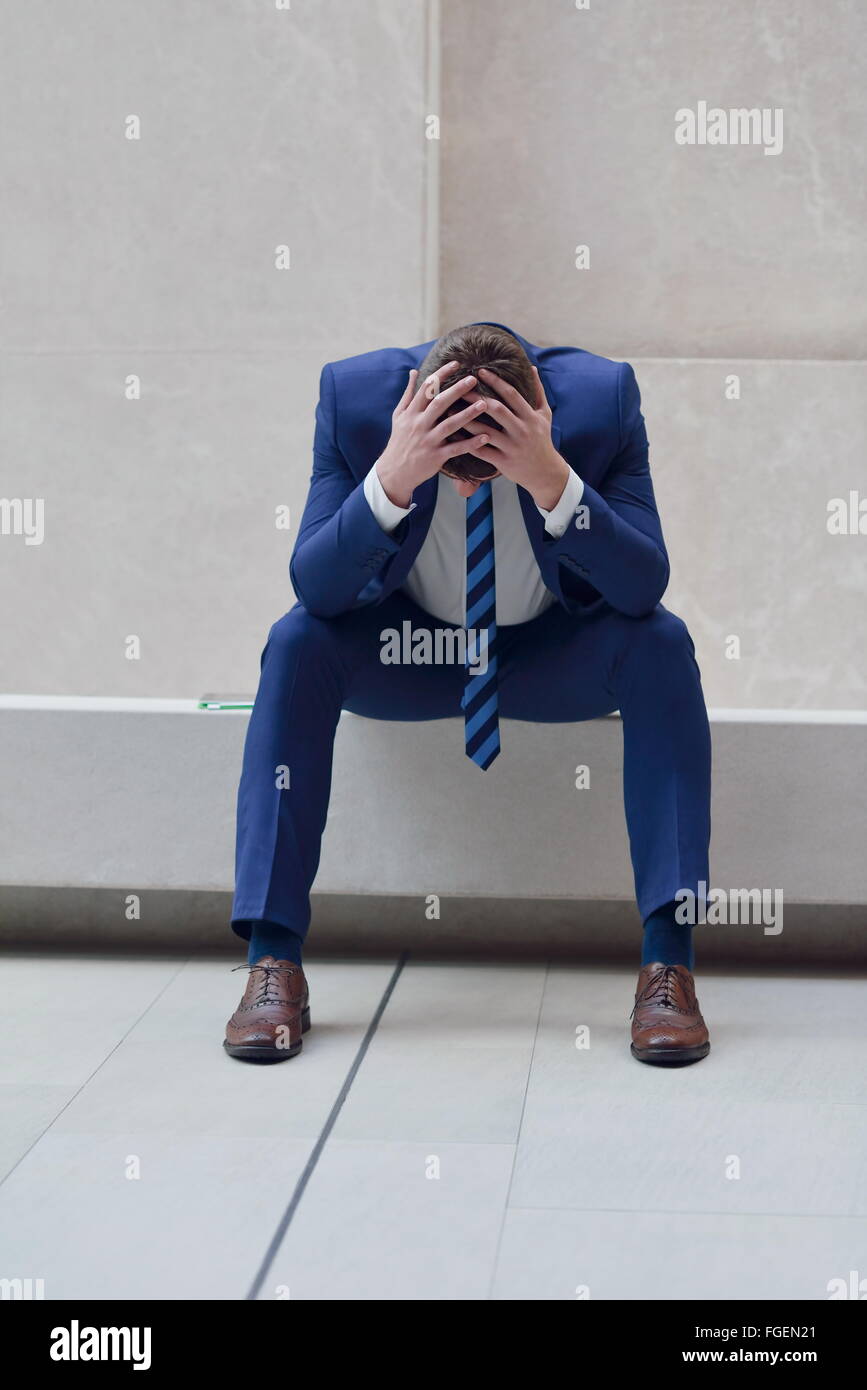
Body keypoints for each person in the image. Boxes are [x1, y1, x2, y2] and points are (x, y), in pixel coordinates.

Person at [224, 322, 712, 1066]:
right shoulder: (354, 401)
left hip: (545, 651)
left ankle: (666, 965)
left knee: (662, 645)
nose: (463, 486)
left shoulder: (601, 402)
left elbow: (641, 587)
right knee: (295, 642)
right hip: (409, 650)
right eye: (451, 465)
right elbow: (316, 590)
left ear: (536, 413)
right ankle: (272, 961)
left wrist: (549, 477)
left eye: (485, 469)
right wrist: (392, 476)